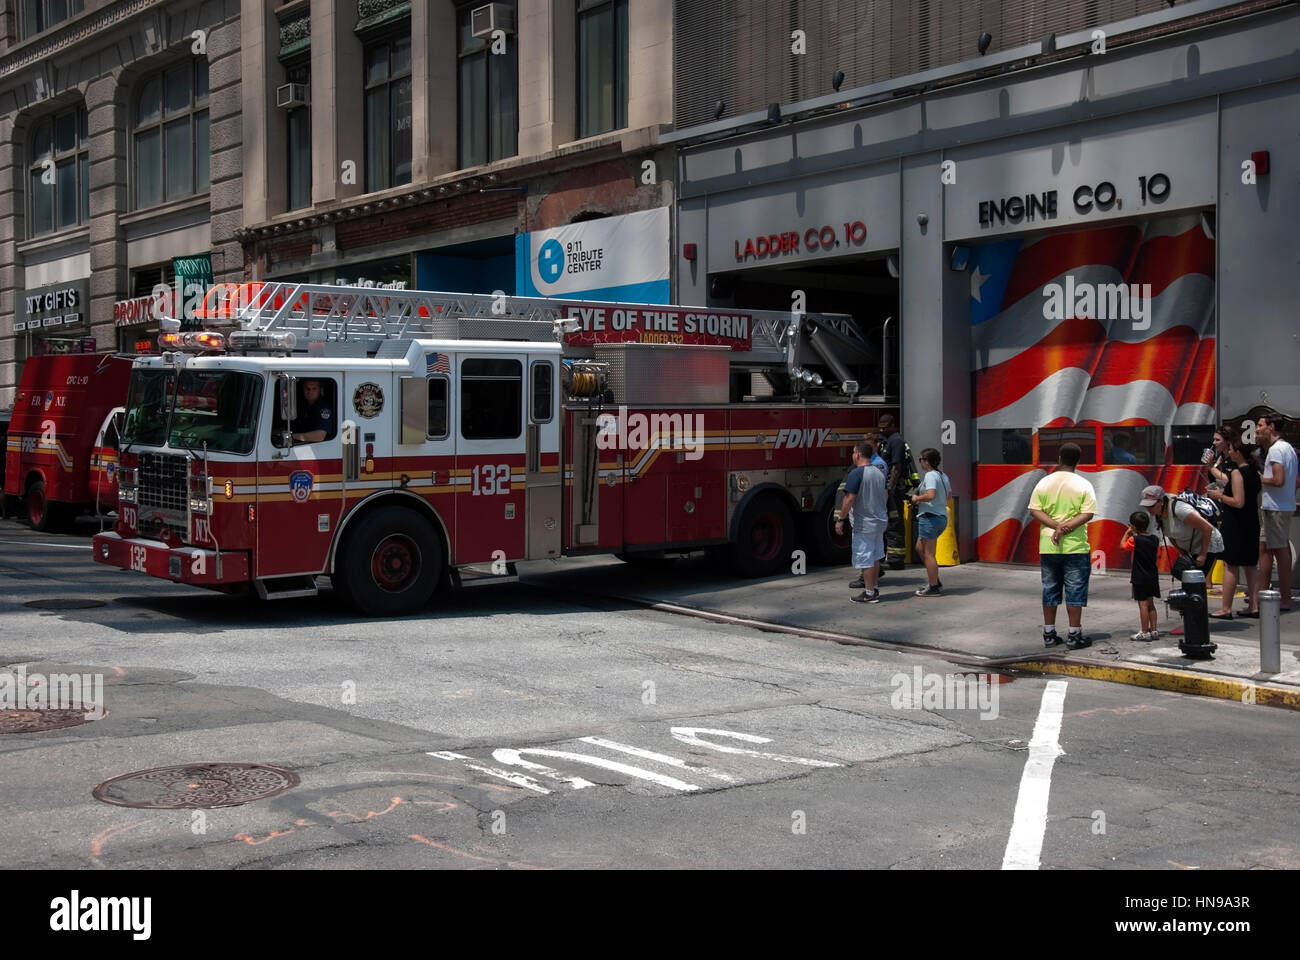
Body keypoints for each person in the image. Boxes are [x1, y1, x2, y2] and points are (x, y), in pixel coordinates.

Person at [1028, 442, 1097, 649]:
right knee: (1075, 591)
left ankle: (1049, 633)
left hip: (1048, 547)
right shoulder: (1084, 484)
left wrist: (1056, 527)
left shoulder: (1044, 483)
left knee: (1049, 589)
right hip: (1076, 547)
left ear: (1059, 459)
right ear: (1078, 461)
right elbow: (1088, 513)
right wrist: (1065, 527)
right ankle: (1074, 635)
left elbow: (1035, 510)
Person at [1207, 437, 1261, 619]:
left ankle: (1226, 608)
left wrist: (1219, 495)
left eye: (1230, 449)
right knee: (1251, 565)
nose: (1228, 452)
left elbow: (1238, 502)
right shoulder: (1255, 471)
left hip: (1236, 522)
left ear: (1238, 452)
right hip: (1251, 520)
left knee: (1231, 565)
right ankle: (1254, 606)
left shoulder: (1238, 473)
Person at [836, 440, 888, 604]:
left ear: (858, 454)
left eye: (853, 452)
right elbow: (885, 495)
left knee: (865, 558)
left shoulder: (857, 473)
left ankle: (869, 593)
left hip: (865, 523)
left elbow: (849, 498)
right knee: (876, 556)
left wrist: (841, 519)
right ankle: (874, 588)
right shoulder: (879, 472)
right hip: (880, 521)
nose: (852, 455)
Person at [1256, 414, 1297, 613]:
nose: (1258, 429)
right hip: (1278, 506)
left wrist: (1260, 479)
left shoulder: (1276, 450)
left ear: (1271, 427)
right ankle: (1262, 593)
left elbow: (1278, 480)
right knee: (1265, 549)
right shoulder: (1287, 449)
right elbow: (1293, 480)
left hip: (1276, 508)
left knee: (1280, 552)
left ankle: (1285, 597)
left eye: (1261, 425)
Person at [1139, 484, 1223, 577]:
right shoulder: (1159, 514)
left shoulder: (1180, 509)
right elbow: (1170, 535)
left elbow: (1207, 528)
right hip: (1193, 549)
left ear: (1161, 501)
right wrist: (1183, 553)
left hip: (1207, 545)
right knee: (1186, 578)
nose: (1149, 509)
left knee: (1195, 581)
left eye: (1151, 506)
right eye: (1146, 506)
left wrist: (1202, 555)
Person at [910, 447, 950, 597]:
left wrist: (916, 499)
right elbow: (948, 496)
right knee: (919, 548)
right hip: (940, 516)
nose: (920, 462)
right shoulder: (943, 475)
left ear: (926, 461)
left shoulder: (930, 476)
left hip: (930, 517)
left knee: (928, 554)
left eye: (921, 459)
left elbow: (931, 495)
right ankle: (935, 580)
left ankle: (933, 586)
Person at [1121, 511, 1161, 641]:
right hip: (1152, 575)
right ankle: (1154, 630)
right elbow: (1158, 555)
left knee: (1142, 604)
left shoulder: (1134, 540)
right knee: (1151, 603)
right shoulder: (1154, 539)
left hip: (1140, 576)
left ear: (1133, 526)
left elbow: (1122, 546)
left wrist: (1127, 533)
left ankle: (1144, 631)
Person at [878, 414, 907, 569]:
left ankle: (896, 560)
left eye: (885, 427)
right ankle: (891, 558)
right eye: (880, 426)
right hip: (888, 488)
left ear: (892, 425)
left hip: (893, 489)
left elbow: (896, 467)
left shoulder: (896, 441)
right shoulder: (887, 441)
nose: (881, 429)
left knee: (894, 522)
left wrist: (890, 488)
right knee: (888, 522)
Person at [291, 379, 336, 444]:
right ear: (303, 389)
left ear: (320, 390)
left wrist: (292, 436)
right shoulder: (301, 404)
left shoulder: (324, 408)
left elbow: (320, 435)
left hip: (319, 448)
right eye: (307, 388)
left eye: (314, 389)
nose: (310, 392)